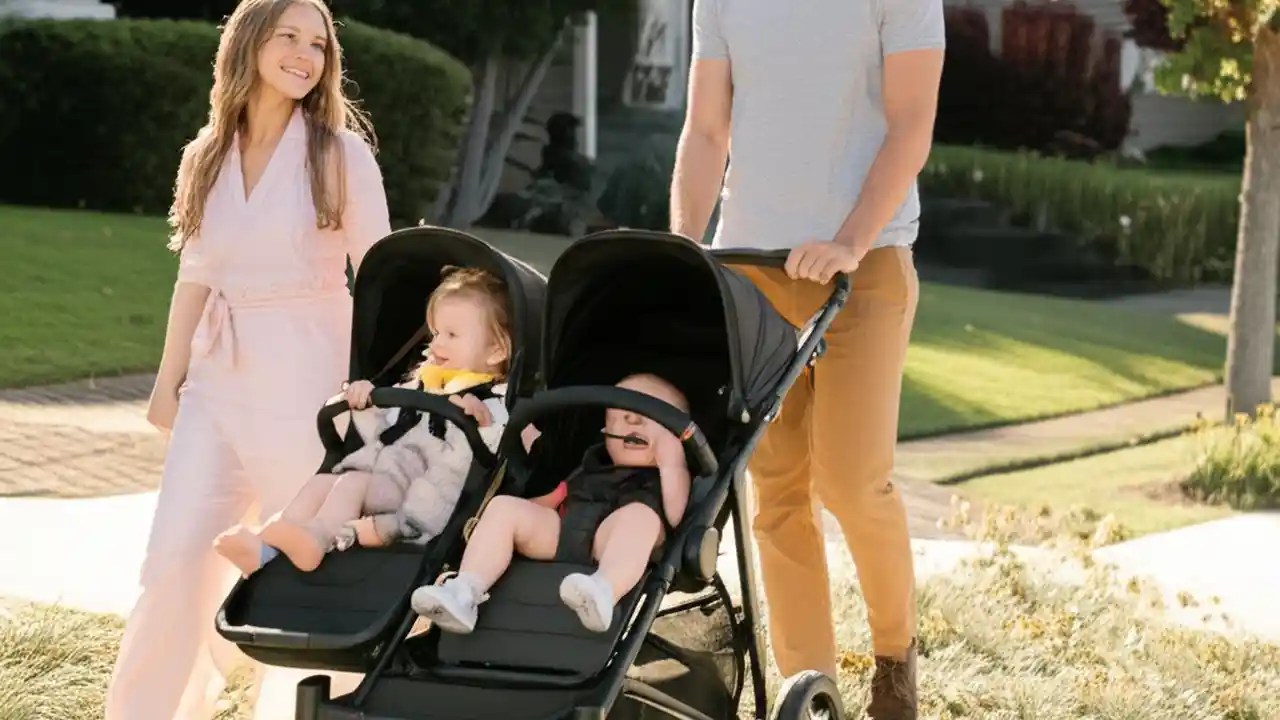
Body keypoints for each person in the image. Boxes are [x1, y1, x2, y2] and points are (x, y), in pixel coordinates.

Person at [105, 1, 391, 718]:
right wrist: (168, 381)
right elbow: (195, 275)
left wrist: (376, 387)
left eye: (318, 44)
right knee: (172, 559)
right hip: (216, 383)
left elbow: (384, 274)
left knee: (310, 561)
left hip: (310, 378)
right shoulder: (205, 153)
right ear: (249, 43)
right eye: (288, 37)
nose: (305, 54)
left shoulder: (339, 152)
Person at [669, 0, 945, 717]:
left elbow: (911, 126)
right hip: (752, 267)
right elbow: (705, 131)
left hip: (867, 263)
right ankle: (808, 694)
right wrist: (681, 251)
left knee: (856, 482)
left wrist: (850, 240)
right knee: (777, 496)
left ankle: (894, 657)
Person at [213, 267, 515, 576]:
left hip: (420, 504)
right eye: (436, 333)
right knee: (322, 482)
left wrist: (480, 423)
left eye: (452, 335)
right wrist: (366, 402)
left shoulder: (491, 403)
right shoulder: (422, 385)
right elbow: (381, 434)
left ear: (496, 351)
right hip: (385, 481)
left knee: (352, 483)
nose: (437, 344)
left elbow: (489, 455)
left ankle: (317, 539)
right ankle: (267, 548)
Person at [409, 373, 691, 634]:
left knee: (640, 518)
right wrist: (504, 525)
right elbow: (551, 499)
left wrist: (673, 462)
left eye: (649, 412)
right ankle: (465, 591)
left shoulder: (671, 475)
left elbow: (676, 516)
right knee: (504, 507)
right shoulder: (590, 466)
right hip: (564, 531)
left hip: (610, 546)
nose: (633, 419)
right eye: (622, 413)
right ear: (606, 431)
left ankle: (605, 591)